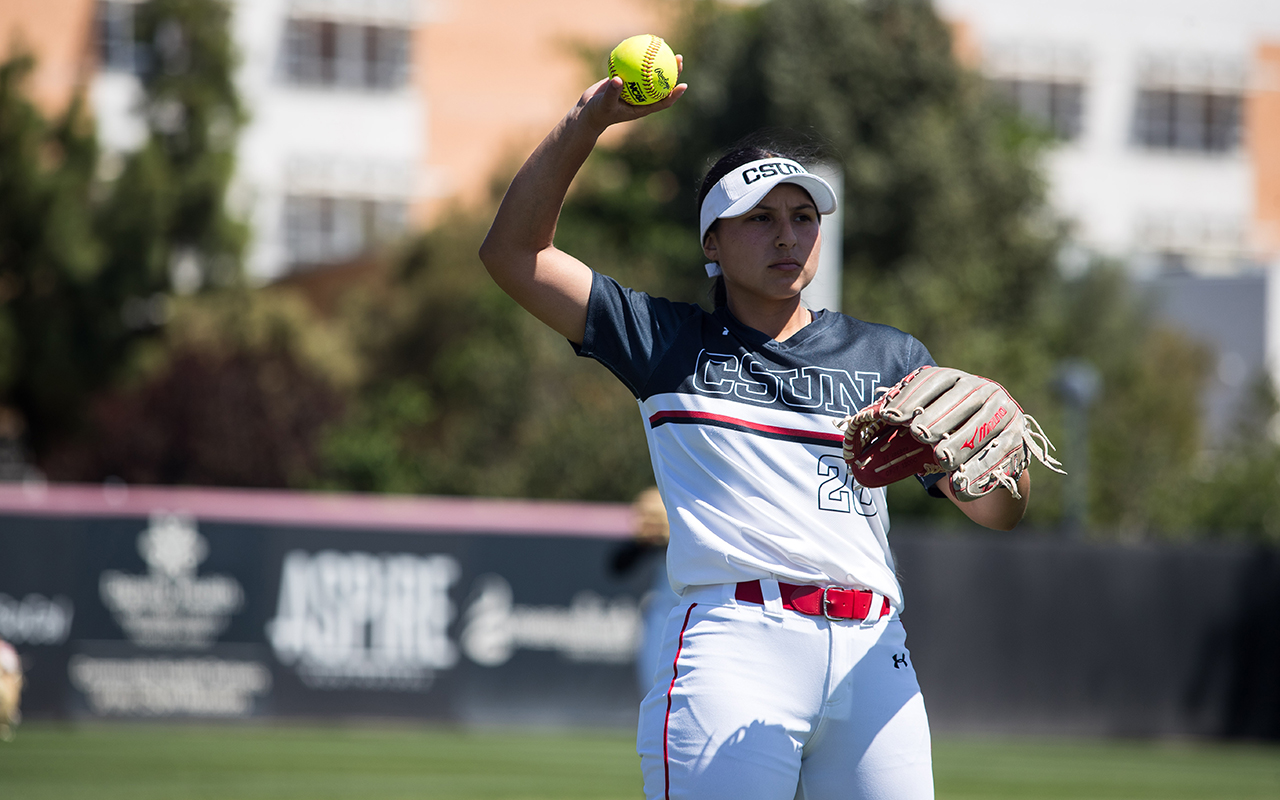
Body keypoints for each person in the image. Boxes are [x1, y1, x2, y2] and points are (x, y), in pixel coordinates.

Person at [480, 61, 1030, 800]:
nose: (788, 236)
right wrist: (586, 127)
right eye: (760, 218)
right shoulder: (665, 342)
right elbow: (514, 256)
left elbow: (999, 513)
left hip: (875, 654)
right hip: (737, 646)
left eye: (803, 217)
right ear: (712, 241)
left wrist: (995, 464)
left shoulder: (891, 358)